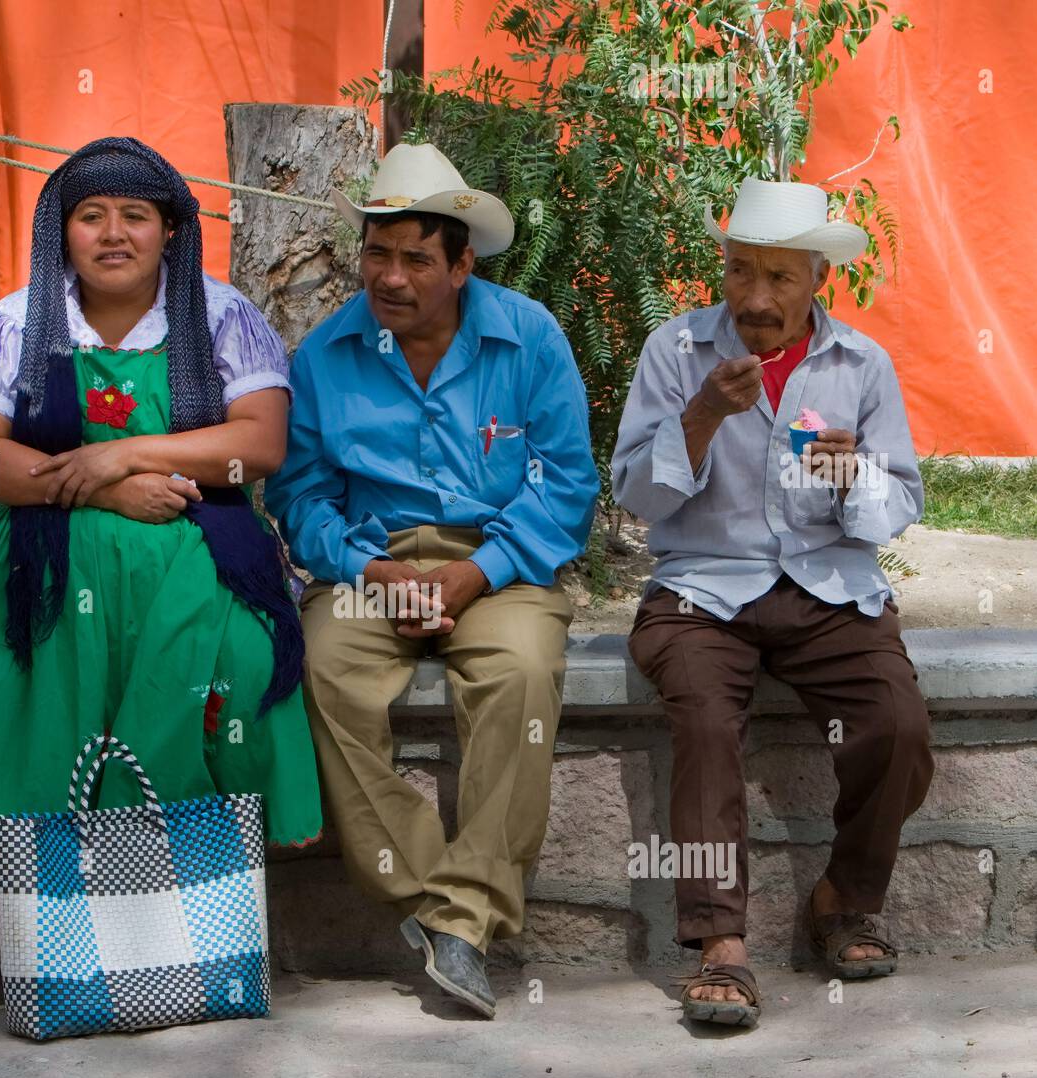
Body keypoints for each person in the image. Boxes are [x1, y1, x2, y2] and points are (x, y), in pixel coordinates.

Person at [0, 136, 323, 1016]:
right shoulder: (17, 322)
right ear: (60, 233)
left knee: (226, 669)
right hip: (32, 546)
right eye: (90, 216)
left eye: (135, 216)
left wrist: (118, 454)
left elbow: (256, 446)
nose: (113, 234)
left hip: (194, 540)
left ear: (171, 231)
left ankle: (159, 923)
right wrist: (106, 492)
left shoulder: (221, 317)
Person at [265, 143, 600, 1019]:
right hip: (367, 561)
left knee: (522, 674)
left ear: (462, 264)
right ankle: (445, 908)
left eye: (417, 257)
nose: (392, 275)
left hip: (500, 562)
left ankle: (459, 918)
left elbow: (566, 484)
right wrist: (364, 567)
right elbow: (298, 493)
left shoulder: (529, 338)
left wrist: (475, 571)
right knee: (323, 667)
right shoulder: (327, 354)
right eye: (379, 253)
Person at [612, 177, 934, 1028]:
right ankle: (721, 941)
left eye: (778, 279)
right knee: (707, 722)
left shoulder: (861, 365)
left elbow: (901, 497)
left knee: (897, 722)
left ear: (816, 280)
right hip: (703, 588)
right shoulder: (675, 351)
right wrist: (701, 418)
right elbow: (635, 499)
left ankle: (844, 895)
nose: (755, 299)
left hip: (828, 585)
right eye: (740, 273)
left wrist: (849, 473)